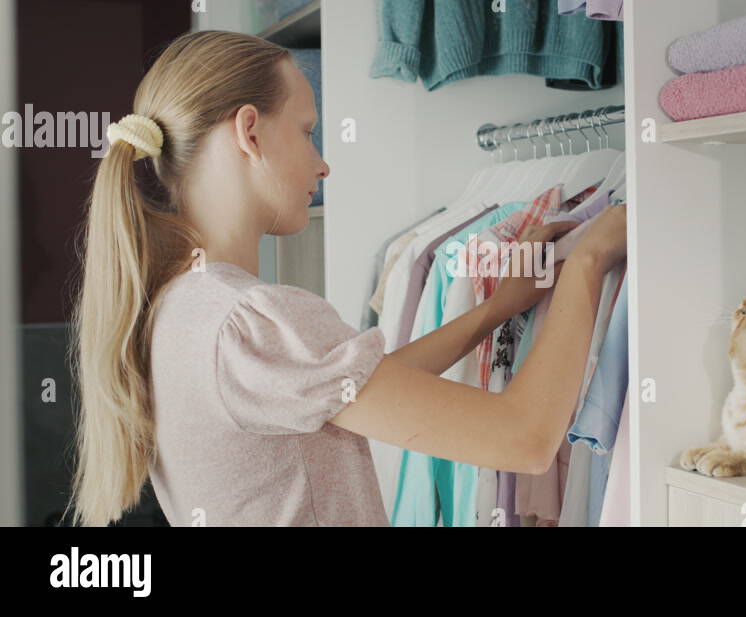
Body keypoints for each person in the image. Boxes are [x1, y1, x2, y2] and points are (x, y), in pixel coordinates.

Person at [66, 30, 627, 527]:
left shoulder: (183, 306)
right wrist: (588, 258)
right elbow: (524, 439)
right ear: (249, 133)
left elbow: (349, 393)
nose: (323, 163)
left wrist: (493, 311)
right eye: (307, 131)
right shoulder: (253, 320)